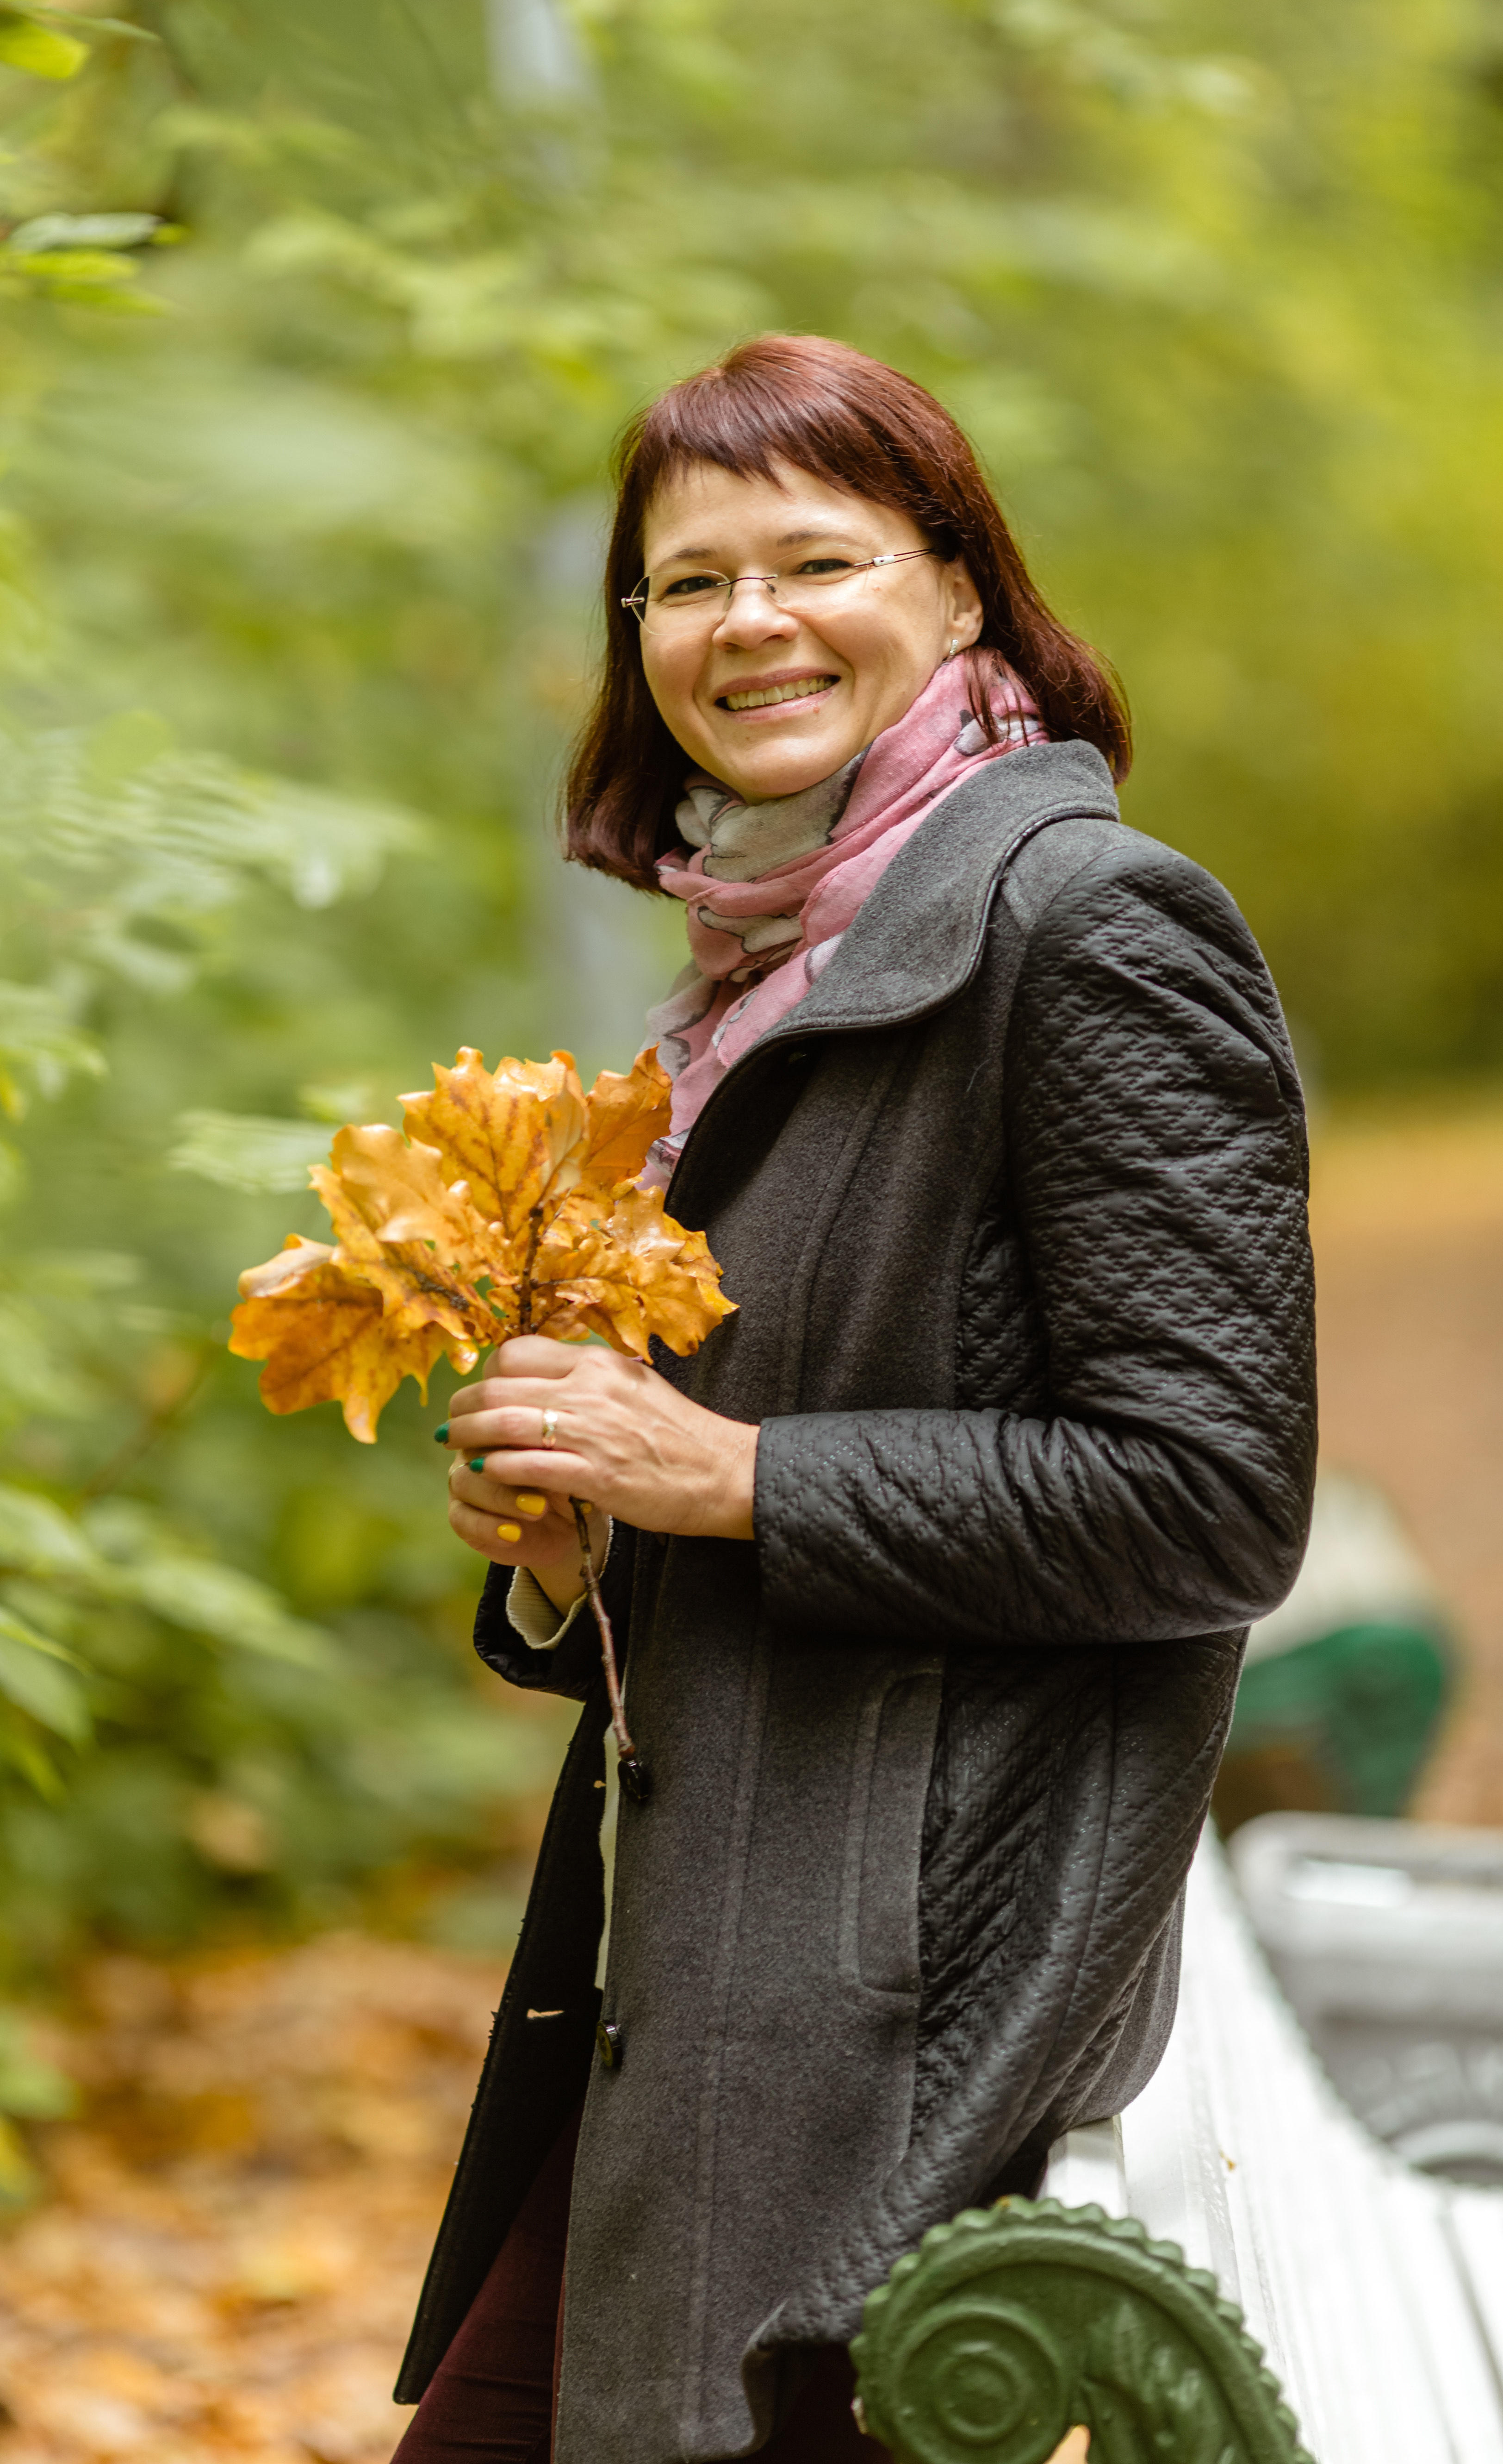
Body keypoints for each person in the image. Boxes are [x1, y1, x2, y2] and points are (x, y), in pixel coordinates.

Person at [391, 335, 1316, 2464]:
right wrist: (579, 1547)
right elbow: (778, 1484)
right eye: (688, 583)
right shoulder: (760, 972)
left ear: (963, 588)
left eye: (815, 560)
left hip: (903, 2030)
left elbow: (1208, 1500)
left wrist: (720, 1473)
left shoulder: (1089, 929)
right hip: (700, 1997)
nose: (749, 626)